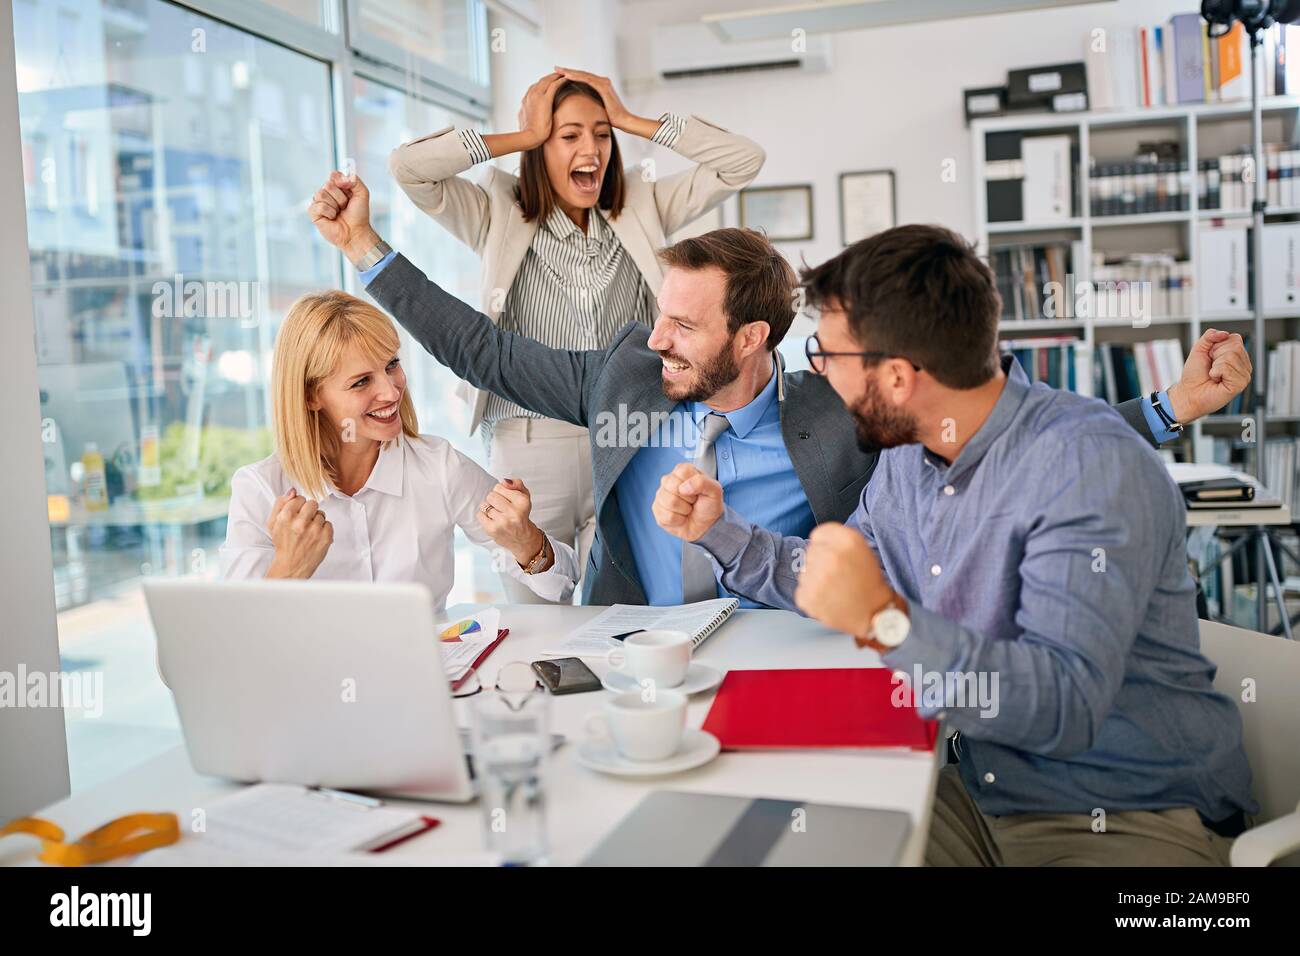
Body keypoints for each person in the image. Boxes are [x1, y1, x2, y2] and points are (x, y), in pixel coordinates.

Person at [307, 170, 1252, 608]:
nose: (655, 336)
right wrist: (366, 251)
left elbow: (1004, 436)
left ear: (751, 338)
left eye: (684, 323)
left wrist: (1172, 406)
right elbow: (483, 350)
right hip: (629, 646)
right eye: (658, 316)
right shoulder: (626, 374)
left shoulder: (830, 410)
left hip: (779, 642)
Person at [651, 224, 1256, 866]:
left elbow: (1064, 705)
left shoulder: (1088, 466)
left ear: (900, 378)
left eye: (827, 357)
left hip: (1130, 813)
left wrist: (883, 620)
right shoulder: (910, 458)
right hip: (977, 791)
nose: (818, 378)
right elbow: (837, 573)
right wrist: (717, 530)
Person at [387, 67, 765, 603]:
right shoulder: (497, 209)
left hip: (627, 432)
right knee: (535, 611)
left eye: (602, 133)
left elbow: (742, 160)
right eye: (568, 135)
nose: (591, 147)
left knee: (618, 610)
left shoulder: (642, 206)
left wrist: (633, 119)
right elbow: (409, 169)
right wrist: (519, 136)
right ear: (542, 146)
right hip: (529, 440)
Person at [219, 290, 577, 611]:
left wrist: (526, 541)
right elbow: (232, 652)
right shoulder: (260, 489)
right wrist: (289, 570)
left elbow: (560, 586)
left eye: (392, 364)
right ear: (311, 396)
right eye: (361, 381)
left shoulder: (439, 466)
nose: (391, 392)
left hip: (426, 673)